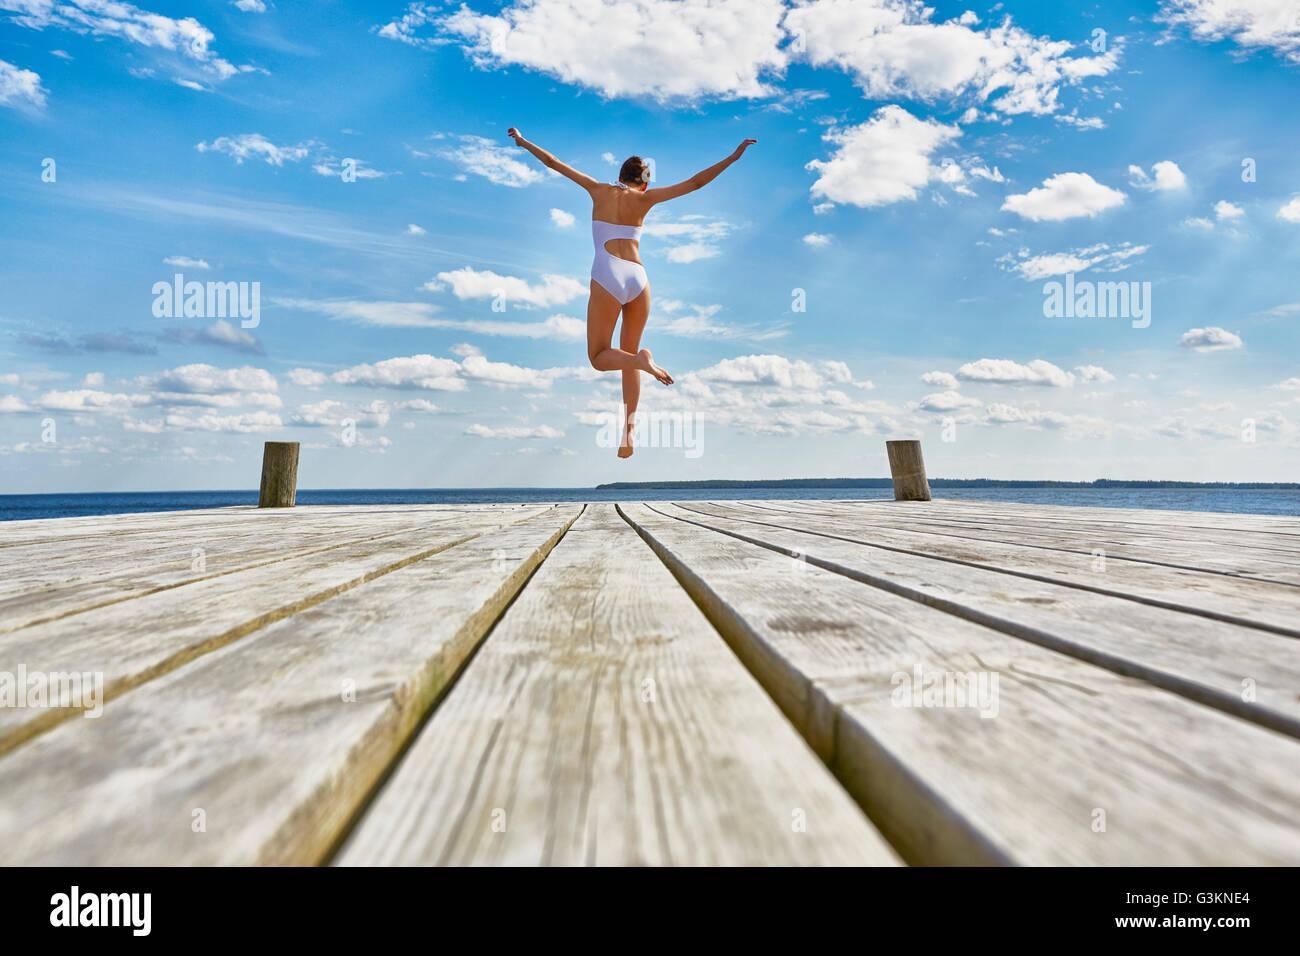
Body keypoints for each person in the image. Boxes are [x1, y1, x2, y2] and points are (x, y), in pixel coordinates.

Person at [506, 127, 756, 457]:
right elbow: (695, 183)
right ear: (645, 183)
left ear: (619, 176)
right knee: (629, 358)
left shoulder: (597, 189)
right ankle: (628, 433)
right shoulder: (646, 198)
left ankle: (641, 364)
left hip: (608, 273)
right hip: (639, 278)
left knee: (599, 357)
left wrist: (523, 142)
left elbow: (553, 162)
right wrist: (734, 157)